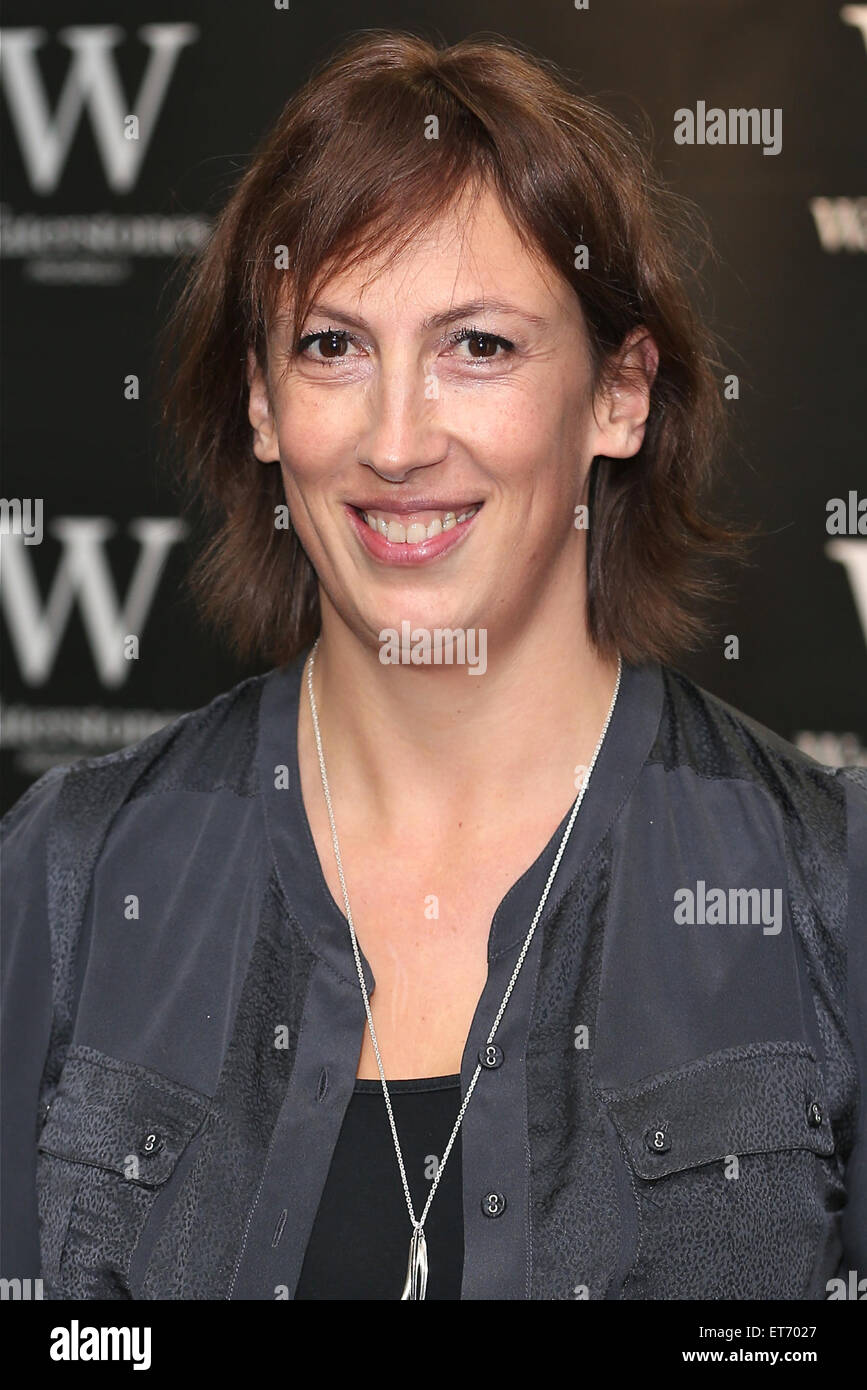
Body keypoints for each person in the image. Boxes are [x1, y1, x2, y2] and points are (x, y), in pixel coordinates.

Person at [1, 29, 864, 1302]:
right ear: (259, 402)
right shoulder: (66, 880)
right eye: (333, 347)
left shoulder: (826, 890)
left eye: (480, 346)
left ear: (621, 395)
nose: (396, 441)